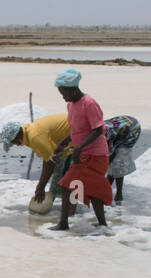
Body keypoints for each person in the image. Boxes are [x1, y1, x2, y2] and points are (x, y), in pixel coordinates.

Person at [48, 69, 112, 231]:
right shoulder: (71, 105)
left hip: (95, 154)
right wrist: (62, 143)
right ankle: (102, 224)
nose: (63, 96)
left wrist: (79, 148)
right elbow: (76, 129)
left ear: (73, 89)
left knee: (66, 185)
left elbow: (98, 129)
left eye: (64, 92)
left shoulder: (89, 103)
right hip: (83, 153)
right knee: (92, 189)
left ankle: (63, 223)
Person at [0, 113, 71, 212]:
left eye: (14, 142)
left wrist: (40, 187)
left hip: (77, 134)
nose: (16, 145)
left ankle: (70, 214)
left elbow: (51, 162)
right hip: (67, 139)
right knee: (60, 176)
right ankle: (62, 206)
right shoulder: (29, 132)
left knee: (68, 180)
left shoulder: (35, 137)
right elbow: (47, 158)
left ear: (17, 136)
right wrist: (41, 186)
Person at [102, 115, 142, 203]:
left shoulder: (107, 136)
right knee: (112, 165)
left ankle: (119, 194)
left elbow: (110, 155)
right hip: (122, 129)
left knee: (118, 161)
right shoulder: (96, 133)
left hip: (132, 131)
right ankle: (105, 189)